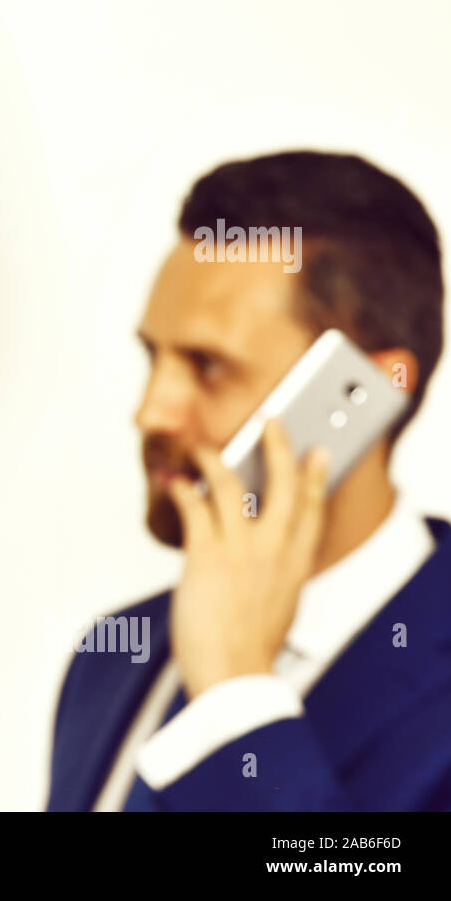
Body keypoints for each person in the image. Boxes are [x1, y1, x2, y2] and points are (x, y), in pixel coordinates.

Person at [48, 150, 449, 810]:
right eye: (156, 357)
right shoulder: (112, 654)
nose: (151, 411)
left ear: (368, 390)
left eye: (208, 366)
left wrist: (235, 694)